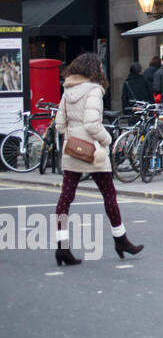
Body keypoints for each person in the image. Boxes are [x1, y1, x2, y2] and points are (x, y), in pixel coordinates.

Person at [52, 53, 143, 266]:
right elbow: (92, 124)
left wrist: (72, 140)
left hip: (73, 150)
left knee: (66, 198)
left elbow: (59, 124)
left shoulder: (67, 91)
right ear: (93, 70)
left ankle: (62, 247)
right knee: (109, 195)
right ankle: (121, 240)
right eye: (100, 67)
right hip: (93, 152)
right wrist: (107, 139)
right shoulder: (94, 91)